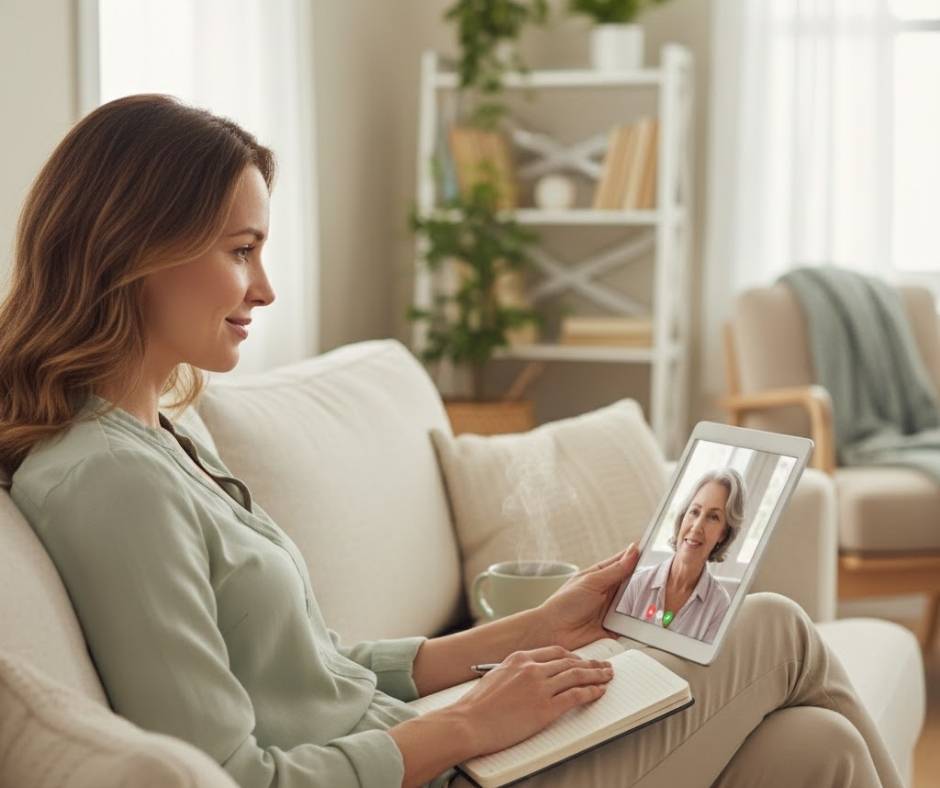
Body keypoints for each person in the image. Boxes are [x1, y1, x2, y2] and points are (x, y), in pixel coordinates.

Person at [0, 95, 903, 788]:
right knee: (775, 627)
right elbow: (233, 775)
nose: (265, 288)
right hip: (440, 769)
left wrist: (539, 628)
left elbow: (318, 669)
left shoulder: (166, 437)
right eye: (241, 250)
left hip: (431, 745)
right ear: (133, 250)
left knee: (811, 750)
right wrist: (469, 725)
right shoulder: (104, 481)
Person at [616, 469, 745, 643]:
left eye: (713, 517)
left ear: (723, 534)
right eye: (694, 512)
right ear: (683, 516)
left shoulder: (719, 606)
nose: (697, 526)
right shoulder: (636, 583)